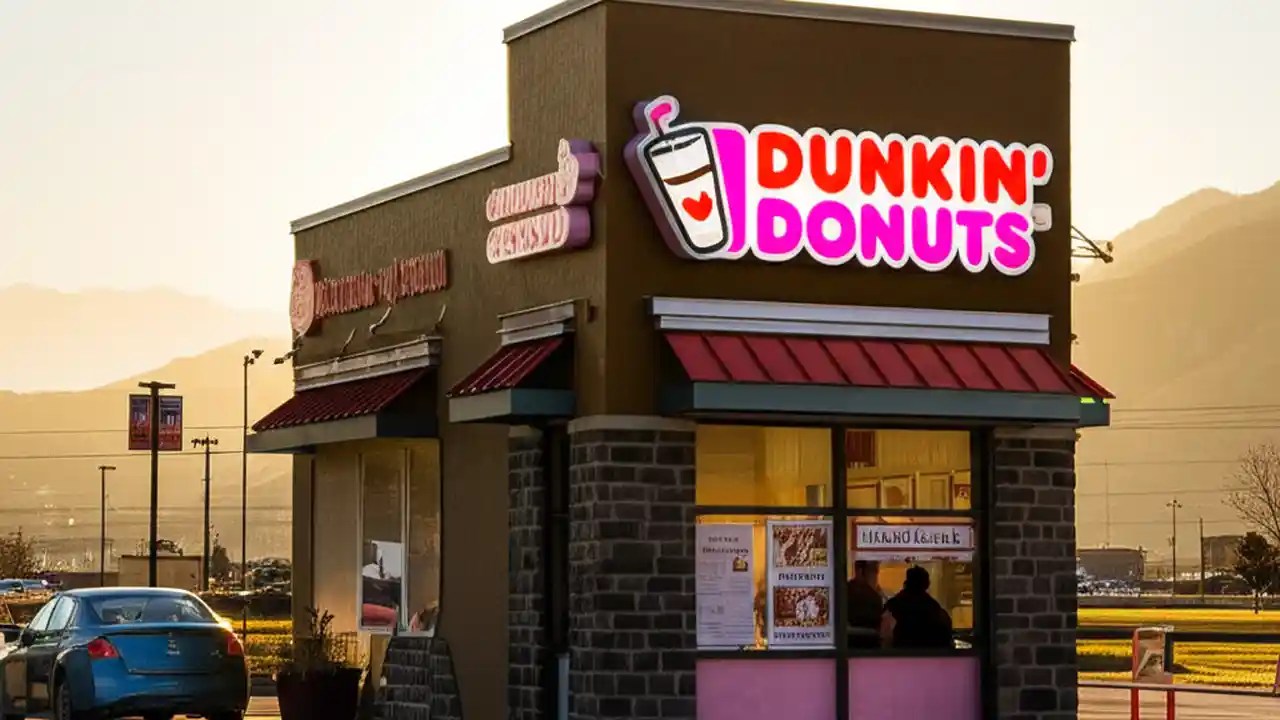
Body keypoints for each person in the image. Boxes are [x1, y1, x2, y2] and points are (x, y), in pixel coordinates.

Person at [882, 566, 953, 649]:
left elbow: (884, 635)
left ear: (906, 583)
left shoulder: (893, 605)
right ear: (927, 584)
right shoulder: (935, 609)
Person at [846, 560, 885, 649]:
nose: (876, 576)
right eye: (874, 571)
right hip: (867, 647)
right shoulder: (872, 596)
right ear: (860, 571)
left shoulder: (843, 590)